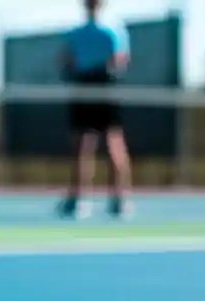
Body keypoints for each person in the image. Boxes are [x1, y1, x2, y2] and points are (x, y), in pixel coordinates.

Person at [58, 0, 133, 220]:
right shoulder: (112, 31)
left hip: (93, 87)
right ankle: (113, 200)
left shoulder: (103, 32)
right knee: (94, 144)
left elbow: (66, 61)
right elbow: (120, 62)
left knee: (96, 144)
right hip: (99, 87)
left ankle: (88, 199)